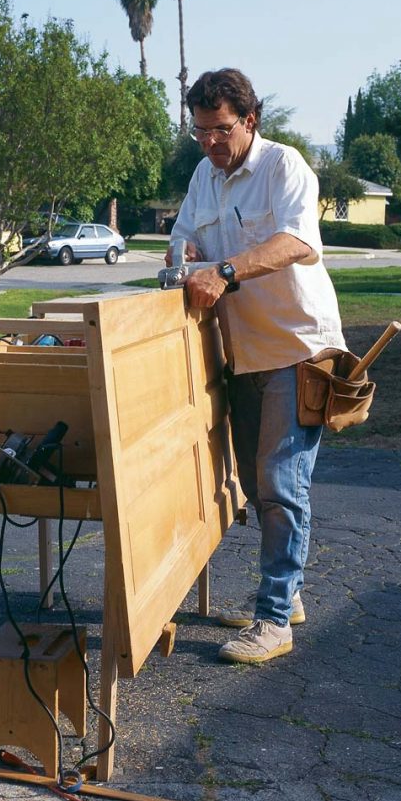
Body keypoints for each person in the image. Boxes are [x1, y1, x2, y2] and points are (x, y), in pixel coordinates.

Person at [166, 68, 346, 664]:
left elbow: (299, 242)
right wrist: (185, 252)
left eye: (220, 130)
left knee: (280, 483)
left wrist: (222, 270)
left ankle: (273, 620)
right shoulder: (203, 175)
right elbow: (181, 238)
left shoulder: (282, 166)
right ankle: (286, 594)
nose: (210, 143)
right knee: (254, 482)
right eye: (200, 132)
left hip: (297, 348)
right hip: (241, 353)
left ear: (249, 120)